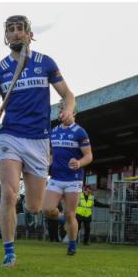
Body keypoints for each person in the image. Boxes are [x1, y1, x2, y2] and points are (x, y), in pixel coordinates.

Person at [0, 15, 76, 267]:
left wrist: (69, 110)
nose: (16, 33)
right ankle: (9, 252)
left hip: (39, 140)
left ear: (29, 33)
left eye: (20, 29)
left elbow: (67, 94)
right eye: (11, 29)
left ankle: (63, 218)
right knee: (9, 193)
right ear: (6, 35)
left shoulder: (45, 63)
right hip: (10, 136)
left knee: (36, 207)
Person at [41, 100, 92, 255]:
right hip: (56, 178)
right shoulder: (54, 131)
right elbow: (51, 154)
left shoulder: (80, 132)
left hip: (73, 180)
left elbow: (89, 156)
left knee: (71, 214)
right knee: (47, 210)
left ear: (73, 112)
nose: (61, 112)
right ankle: (62, 218)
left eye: (64, 109)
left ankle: (72, 244)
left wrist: (79, 162)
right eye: (60, 109)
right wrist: (45, 166)